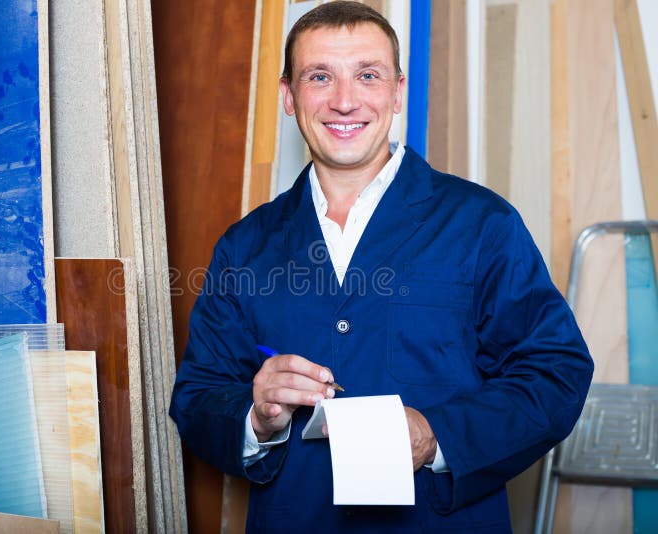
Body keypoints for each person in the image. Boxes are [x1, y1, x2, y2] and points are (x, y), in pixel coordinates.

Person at [169, 1, 593, 531]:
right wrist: (257, 418)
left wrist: (437, 435)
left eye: (367, 75)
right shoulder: (245, 246)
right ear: (287, 96)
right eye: (319, 76)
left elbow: (557, 373)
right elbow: (198, 395)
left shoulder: (482, 224)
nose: (344, 101)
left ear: (396, 92)